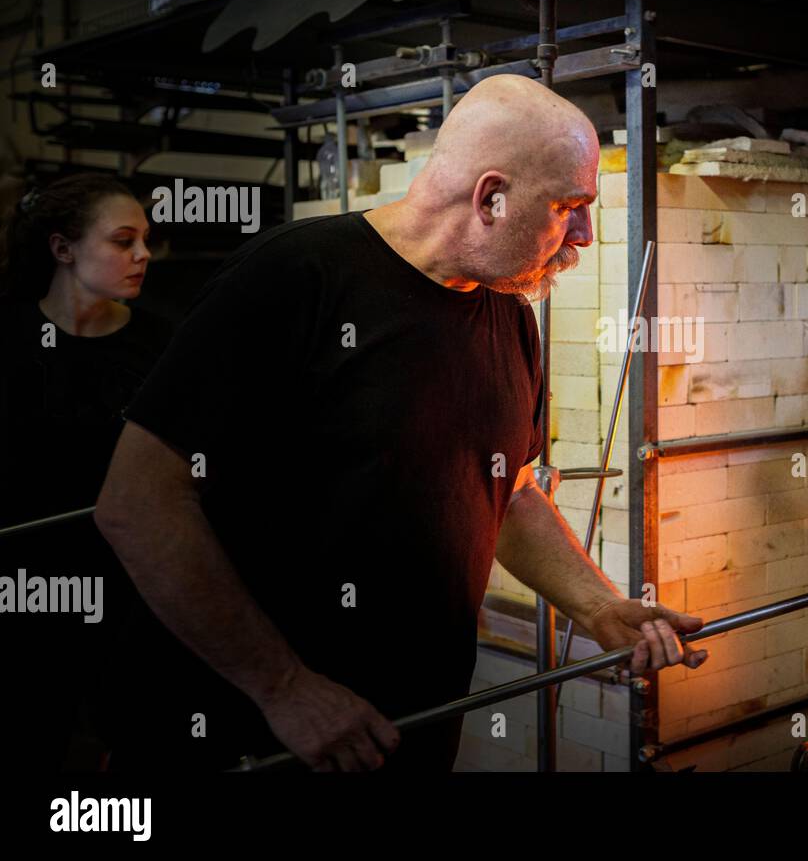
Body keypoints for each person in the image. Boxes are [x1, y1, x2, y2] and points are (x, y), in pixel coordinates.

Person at [94, 74, 710, 773]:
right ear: (491, 197)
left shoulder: (509, 314)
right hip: (241, 733)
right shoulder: (296, 278)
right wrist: (285, 689)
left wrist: (598, 606)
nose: (585, 235)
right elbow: (137, 502)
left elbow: (508, 493)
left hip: (407, 728)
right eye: (569, 207)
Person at [0, 173, 171, 770]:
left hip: (135, 590)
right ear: (62, 249)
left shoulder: (161, 343)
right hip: (27, 593)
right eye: (124, 241)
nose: (143, 254)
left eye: (145, 239)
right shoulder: (11, 342)